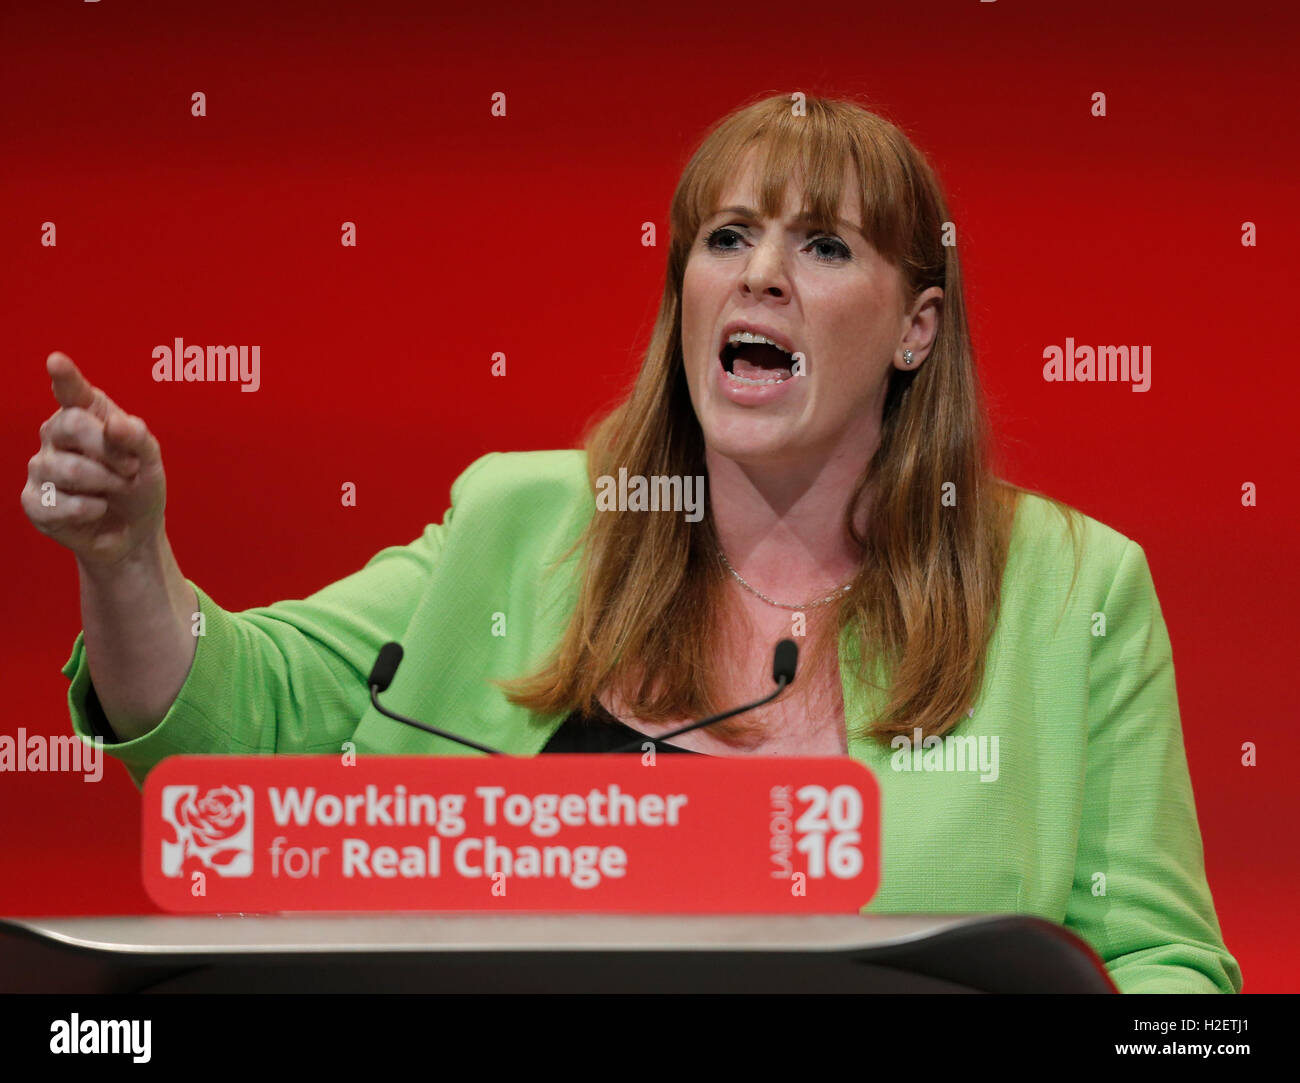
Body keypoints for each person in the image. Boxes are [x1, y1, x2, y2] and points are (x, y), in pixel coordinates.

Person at [24, 92, 1241, 994]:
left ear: (916, 327)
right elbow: (238, 722)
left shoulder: (1071, 589)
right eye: (725, 237)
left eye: (823, 245)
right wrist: (130, 558)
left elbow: (1167, 972)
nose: (760, 274)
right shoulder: (525, 524)